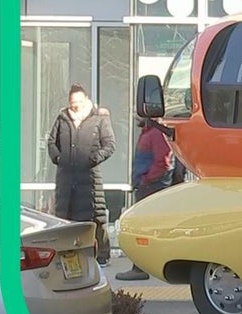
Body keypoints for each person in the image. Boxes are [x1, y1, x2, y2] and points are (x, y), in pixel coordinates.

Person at [48, 84, 116, 266]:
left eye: (78, 102)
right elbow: (51, 142)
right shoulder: (62, 118)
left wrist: (94, 158)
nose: (75, 106)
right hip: (66, 177)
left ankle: (102, 254)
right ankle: (67, 255)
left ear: (85, 100)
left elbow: (110, 145)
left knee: (95, 216)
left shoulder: (99, 119)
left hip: (89, 177)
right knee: (65, 216)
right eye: (72, 103)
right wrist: (58, 157)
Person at [116, 115, 175, 281]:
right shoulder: (150, 132)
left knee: (142, 229)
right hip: (149, 185)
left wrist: (146, 179)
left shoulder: (155, 133)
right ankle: (141, 265)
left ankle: (140, 267)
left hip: (151, 187)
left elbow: (163, 161)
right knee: (145, 229)